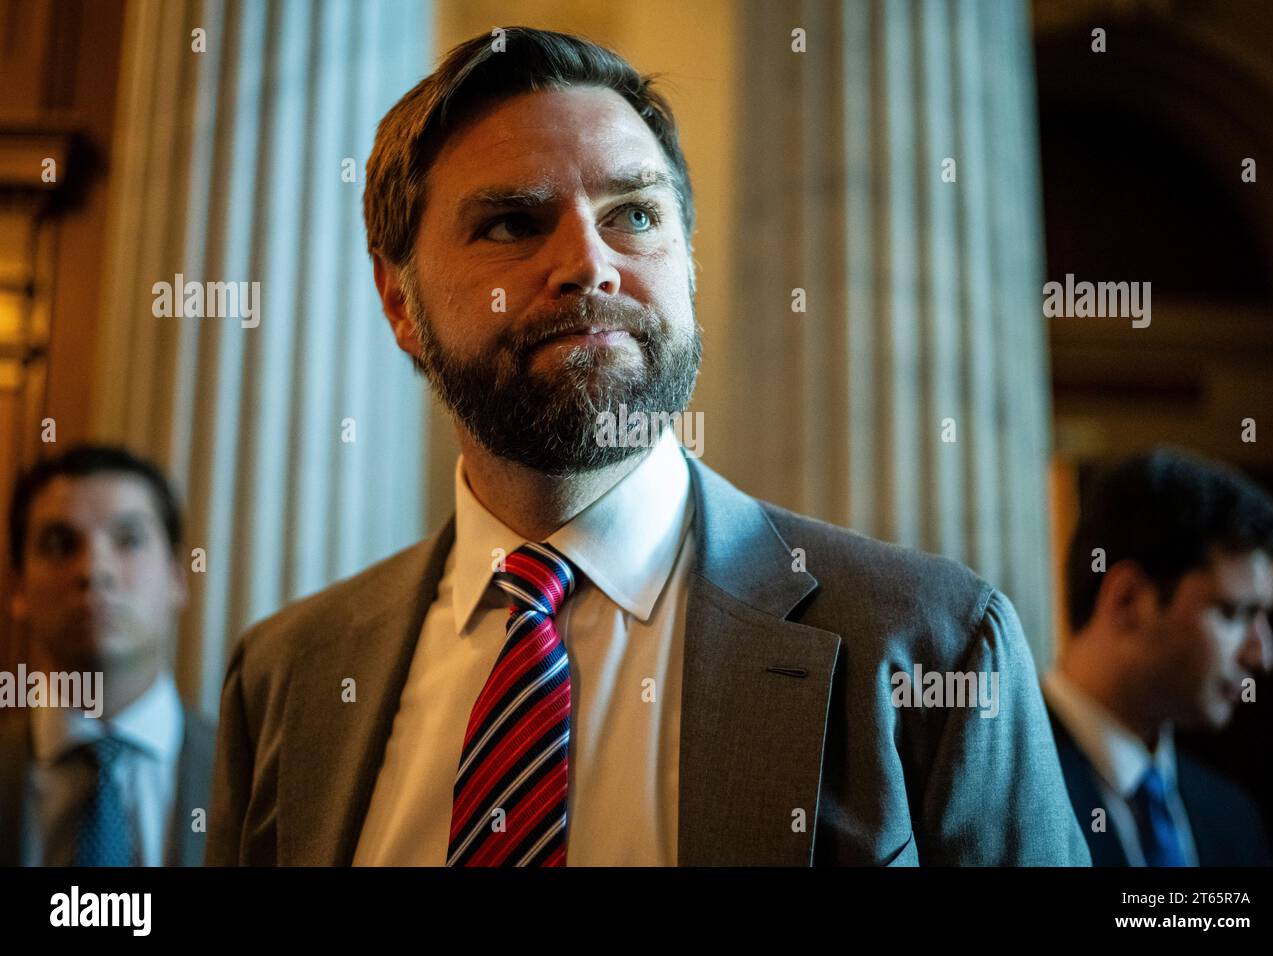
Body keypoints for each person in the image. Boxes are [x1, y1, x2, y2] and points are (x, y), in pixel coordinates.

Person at [206, 26, 1088, 866]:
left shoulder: (931, 643)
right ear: (399, 301)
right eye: (513, 223)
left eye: (632, 214)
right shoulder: (286, 675)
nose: (588, 264)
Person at [1045, 447, 1273, 866]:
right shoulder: (998, 785)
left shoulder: (1233, 818)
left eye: (1264, 617)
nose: (1263, 656)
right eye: (1234, 613)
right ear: (1129, 599)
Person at [0, 444, 214, 866]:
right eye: (60, 543)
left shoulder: (249, 781)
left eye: (128, 539)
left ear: (177, 578)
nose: (94, 570)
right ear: (19, 588)